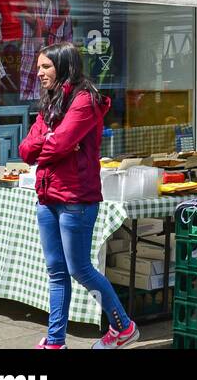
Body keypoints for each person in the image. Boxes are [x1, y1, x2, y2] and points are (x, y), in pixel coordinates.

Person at [19, 41, 138, 349]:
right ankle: (55, 341)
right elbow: (27, 150)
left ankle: (123, 326)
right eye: (38, 67)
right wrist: (51, 141)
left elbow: (57, 145)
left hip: (76, 200)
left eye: (45, 66)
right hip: (47, 197)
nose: (40, 73)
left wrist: (50, 144)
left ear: (64, 65)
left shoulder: (85, 100)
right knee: (55, 271)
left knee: (80, 269)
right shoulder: (51, 100)